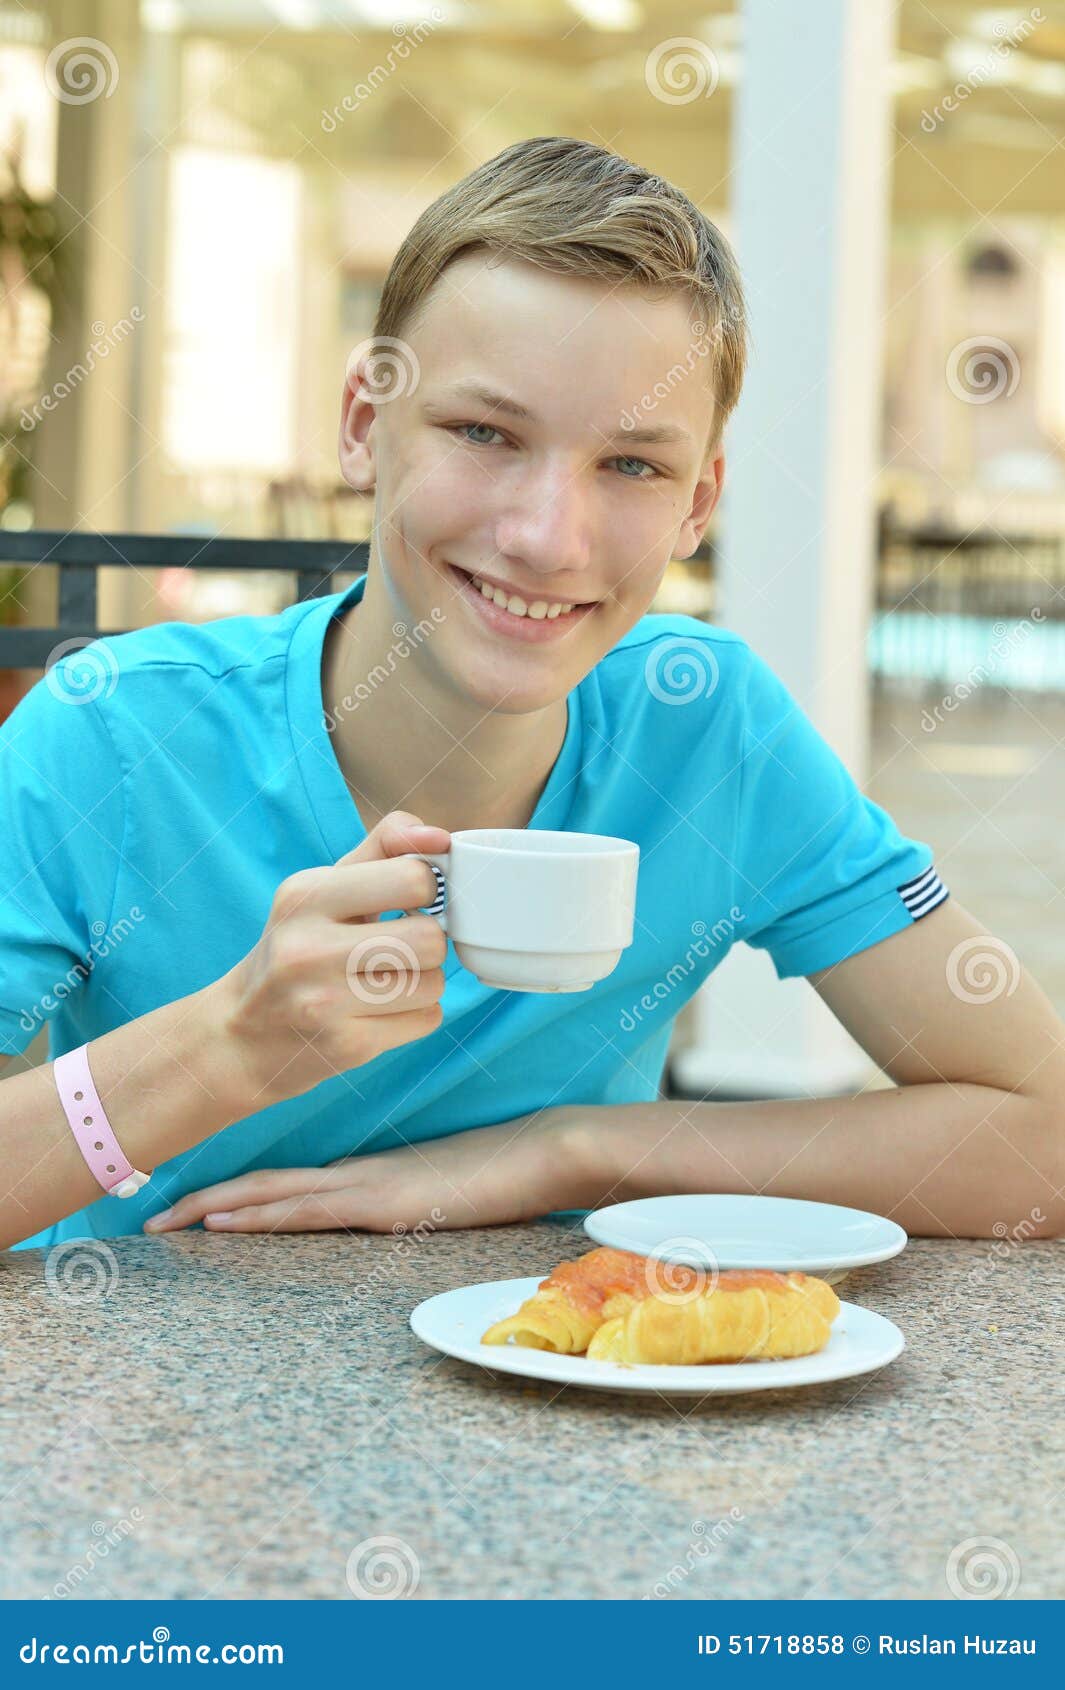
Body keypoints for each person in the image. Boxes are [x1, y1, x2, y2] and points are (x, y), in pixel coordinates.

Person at [1, 137, 1061, 1254]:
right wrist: (224, 1047)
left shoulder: (708, 728)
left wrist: (572, 1150)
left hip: (567, 1388)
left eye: (633, 466)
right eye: (484, 433)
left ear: (699, 502)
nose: (549, 538)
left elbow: (1043, 1136)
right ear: (367, 424)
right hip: (152, 1405)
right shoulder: (109, 735)